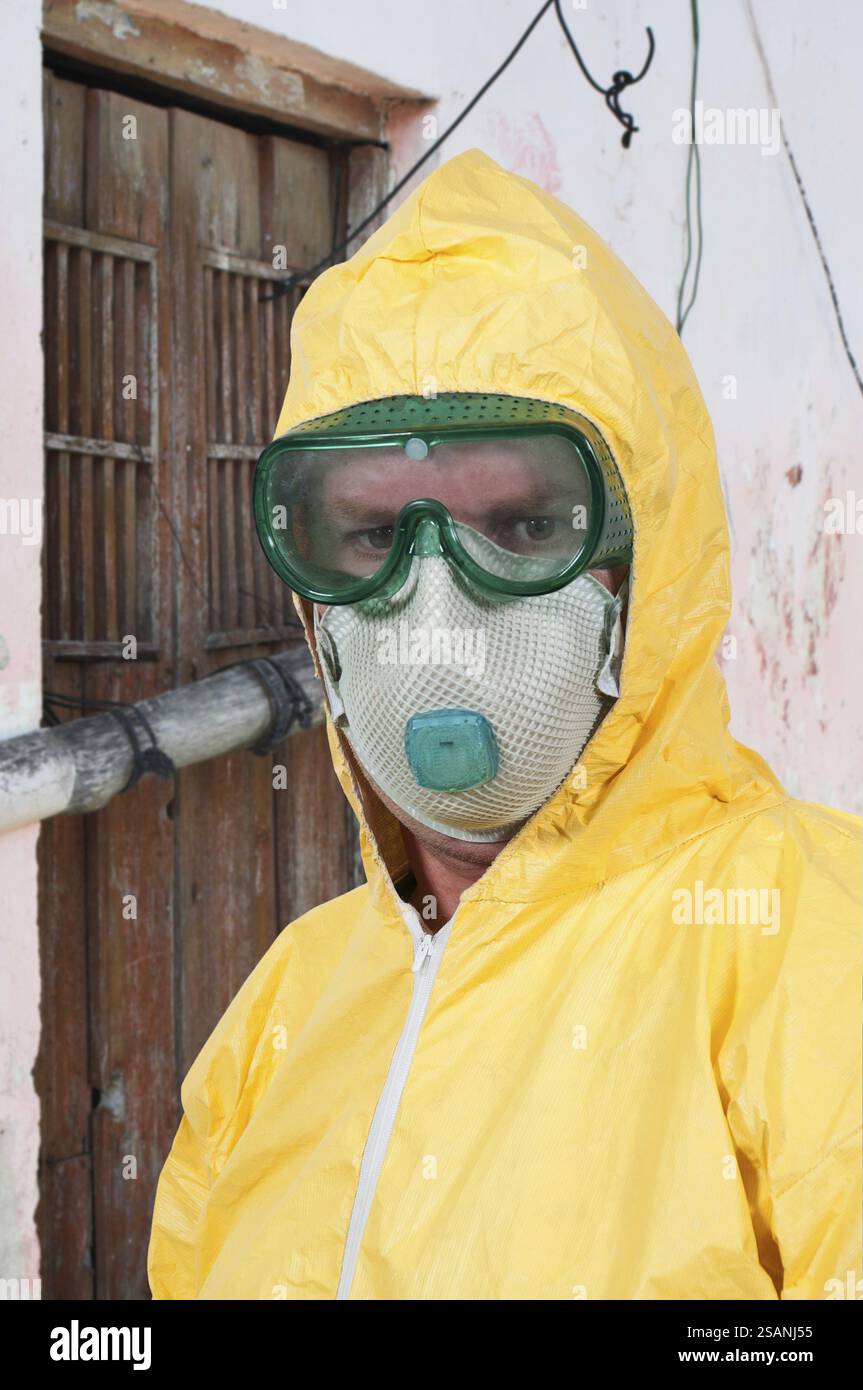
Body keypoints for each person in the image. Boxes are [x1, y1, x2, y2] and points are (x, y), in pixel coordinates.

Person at [148, 148, 861, 1301]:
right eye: (378, 540)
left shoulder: (808, 948)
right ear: (315, 604)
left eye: (523, 526)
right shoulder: (288, 1003)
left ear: (642, 568)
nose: (434, 607)